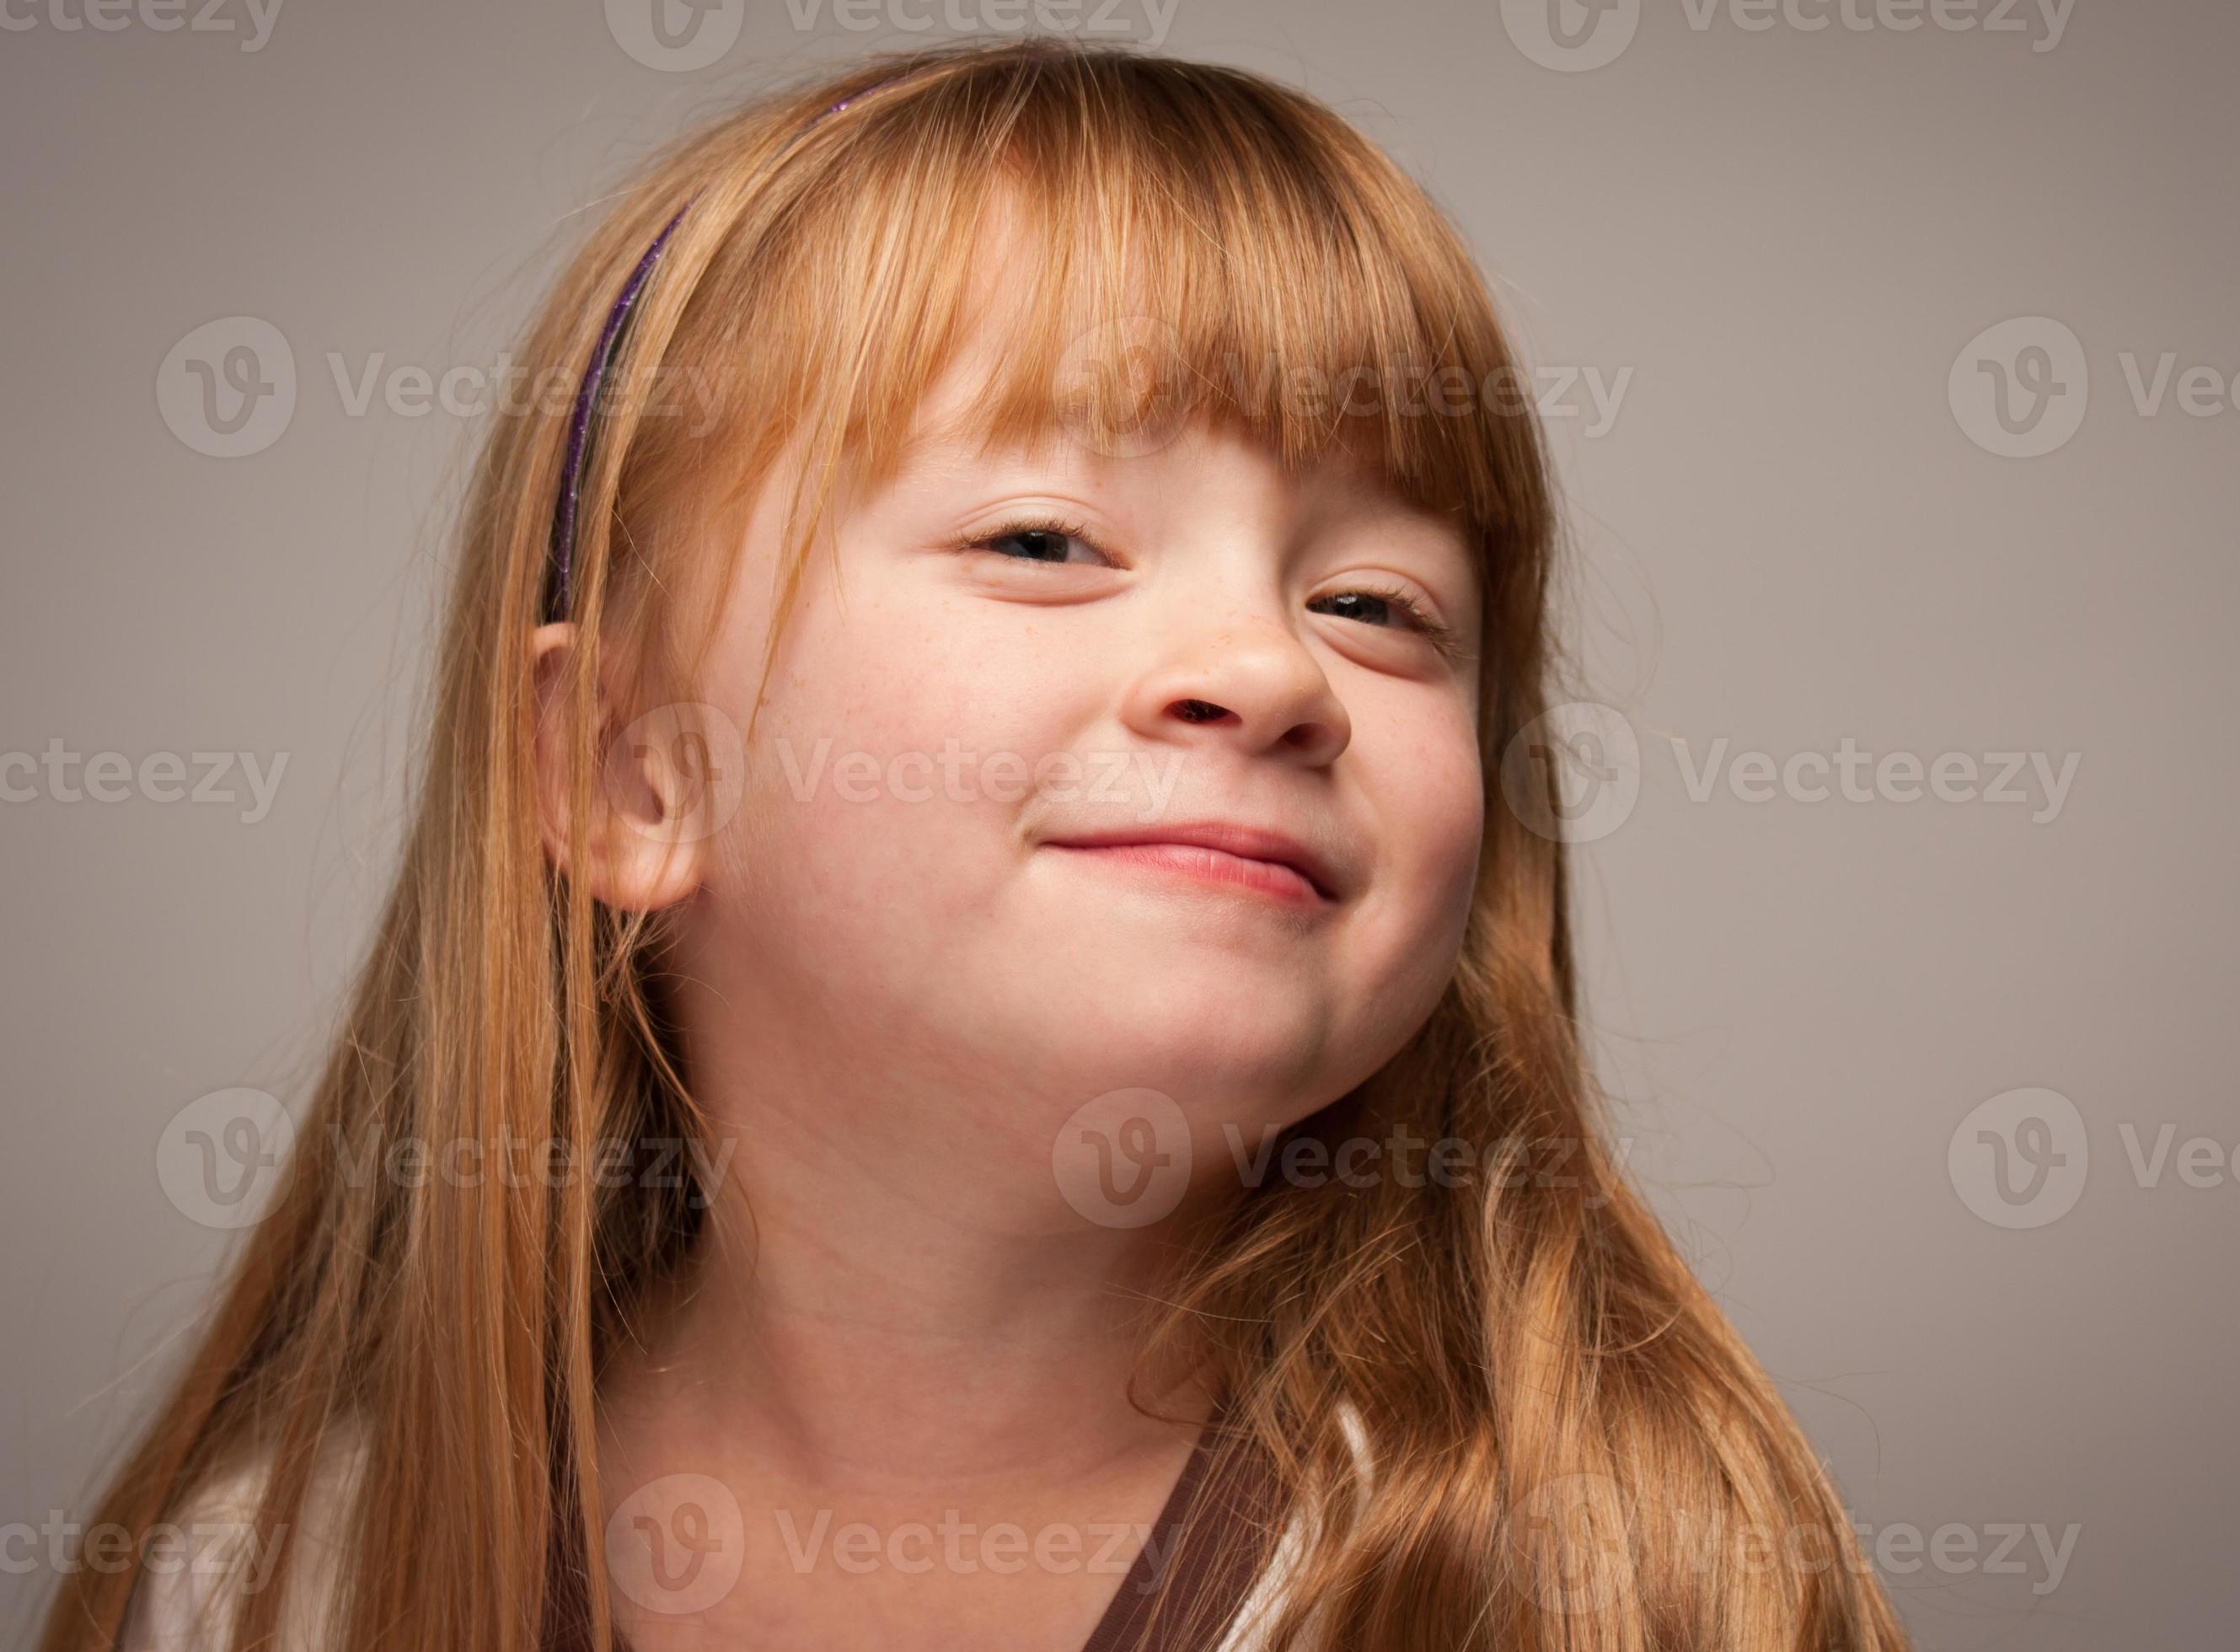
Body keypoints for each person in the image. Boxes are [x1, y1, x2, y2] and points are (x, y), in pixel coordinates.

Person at [45, 37, 1907, 1652]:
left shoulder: (1594, 1589)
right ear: (630, 769)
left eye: (1377, 601)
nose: (1269, 668)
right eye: (1044, 541)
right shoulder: (281, 1575)